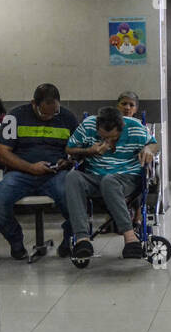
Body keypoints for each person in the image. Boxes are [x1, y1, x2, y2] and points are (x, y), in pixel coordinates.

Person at [0, 83, 79, 260]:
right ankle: (16, 243)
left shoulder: (68, 118)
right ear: (34, 103)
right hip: (21, 173)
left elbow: (77, 150)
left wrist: (68, 161)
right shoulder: (15, 116)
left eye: (53, 112)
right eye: (43, 113)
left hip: (56, 174)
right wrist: (30, 167)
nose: (49, 117)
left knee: (73, 197)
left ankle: (68, 240)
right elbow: (3, 153)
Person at [65, 105, 159, 260]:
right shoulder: (88, 125)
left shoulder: (134, 127)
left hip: (126, 178)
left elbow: (153, 144)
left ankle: (130, 238)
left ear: (121, 128)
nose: (108, 142)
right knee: (72, 177)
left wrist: (149, 149)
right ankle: (82, 239)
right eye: (103, 137)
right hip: (95, 176)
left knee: (109, 181)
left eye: (113, 138)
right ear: (97, 127)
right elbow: (69, 149)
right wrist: (90, 151)